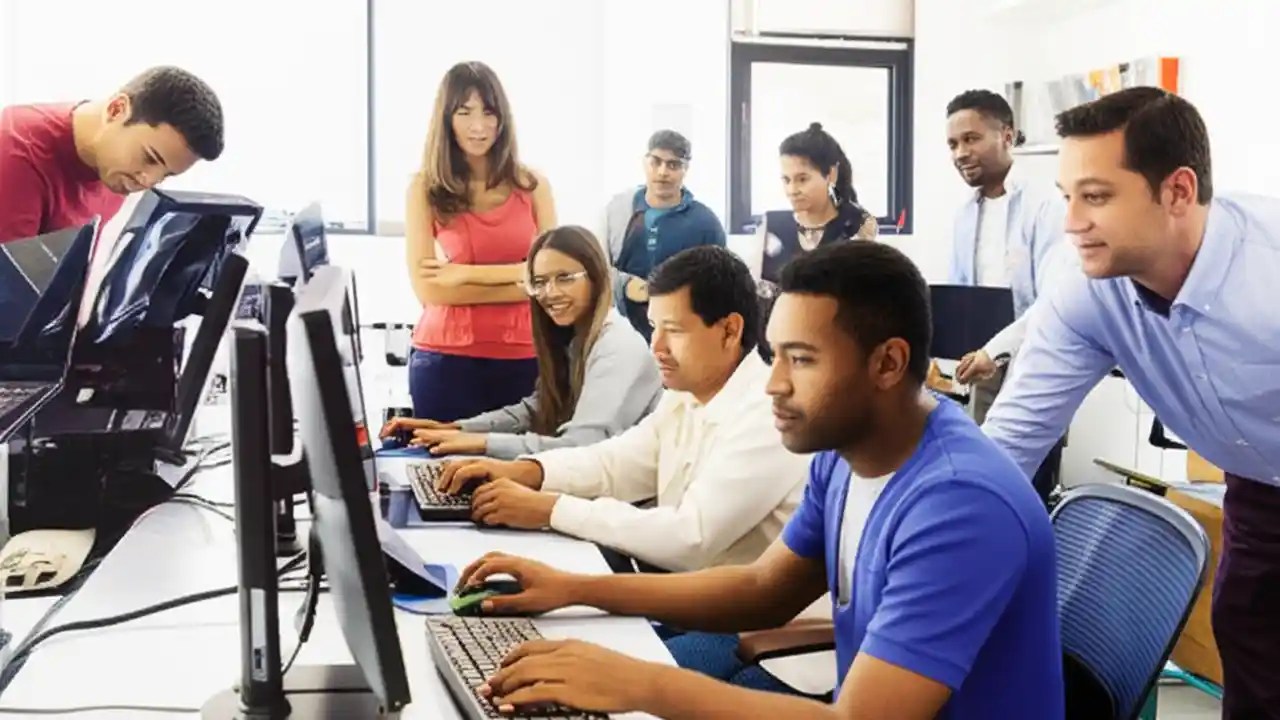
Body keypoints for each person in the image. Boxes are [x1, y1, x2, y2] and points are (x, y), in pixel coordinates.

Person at [452, 241, 1063, 719]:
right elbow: (762, 591)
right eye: (777, 356)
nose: (773, 383)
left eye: (801, 360)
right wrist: (572, 588)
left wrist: (639, 683)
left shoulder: (959, 503)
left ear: (888, 363)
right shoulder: (843, 451)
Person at [983, 86, 1280, 720]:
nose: (1071, 223)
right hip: (1259, 490)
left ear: (1176, 191)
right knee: (1255, 663)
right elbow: (1009, 442)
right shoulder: (1086, 287)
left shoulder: (1269, 271)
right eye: (1068, 198)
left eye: (1095, 197)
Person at [435, 246, 810, 574]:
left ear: (729, 331)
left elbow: (690, 539)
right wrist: (525, 472)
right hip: (680, 597)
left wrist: (549, 509)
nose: (656, 347)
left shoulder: (766, 414)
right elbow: (616, 463)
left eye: (674, 331)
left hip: (740, 629)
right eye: (653, 328)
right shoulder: (684, 396)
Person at [379, 225, 661, 460]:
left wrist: (480, 443)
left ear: (597, 278)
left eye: (565, 278)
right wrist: (455, 429)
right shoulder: (574, 339)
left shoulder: (618, 346)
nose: (549, 293)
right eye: (540, 282)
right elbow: (536, 408)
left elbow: (581, 446)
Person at [404, 61, 557, 422]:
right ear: (446, 119)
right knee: (449, 474)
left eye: (489, 112)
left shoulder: (533, 186)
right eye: (464, 112)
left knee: (520, 473)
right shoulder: (424, 188)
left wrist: (459, 275)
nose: (478, 126)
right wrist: (522, 277)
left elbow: (552, 278)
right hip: (443, 360)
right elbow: (429, 291)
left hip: (524, 357)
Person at [0, 65, 224, 244]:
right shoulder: (15, 151)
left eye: (165, 176)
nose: (146, 181)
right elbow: (11, 292)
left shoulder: (114, 168)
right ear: (116, 109)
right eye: (150, 158)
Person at [943, 90, 1066, 415]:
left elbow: (1055, 301)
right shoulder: (964, 216)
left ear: (1007, 136)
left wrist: (996, 351)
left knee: (1024, 463)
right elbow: (960, 296)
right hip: (978, 364)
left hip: (1034, 361)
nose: (961, 153)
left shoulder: (1045, 204)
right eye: (953, 144)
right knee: (978, 458)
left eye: (971, 139)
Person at [602, 129, 725, 343]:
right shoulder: (618, 211)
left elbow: (719, 288)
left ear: (686, 169)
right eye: (656, 162)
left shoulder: (705, 223)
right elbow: (594, 270)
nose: (662, 172)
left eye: (673, 165)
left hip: (681, 335)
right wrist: (626, 285)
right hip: (621, 332)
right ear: (644, 162)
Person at [746, 122, 878, 297]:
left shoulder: (855, 225)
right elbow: (755, 292)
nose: (792, 190)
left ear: (831, 175)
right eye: (786, 180)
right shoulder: (772, 226)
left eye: (802, 179)